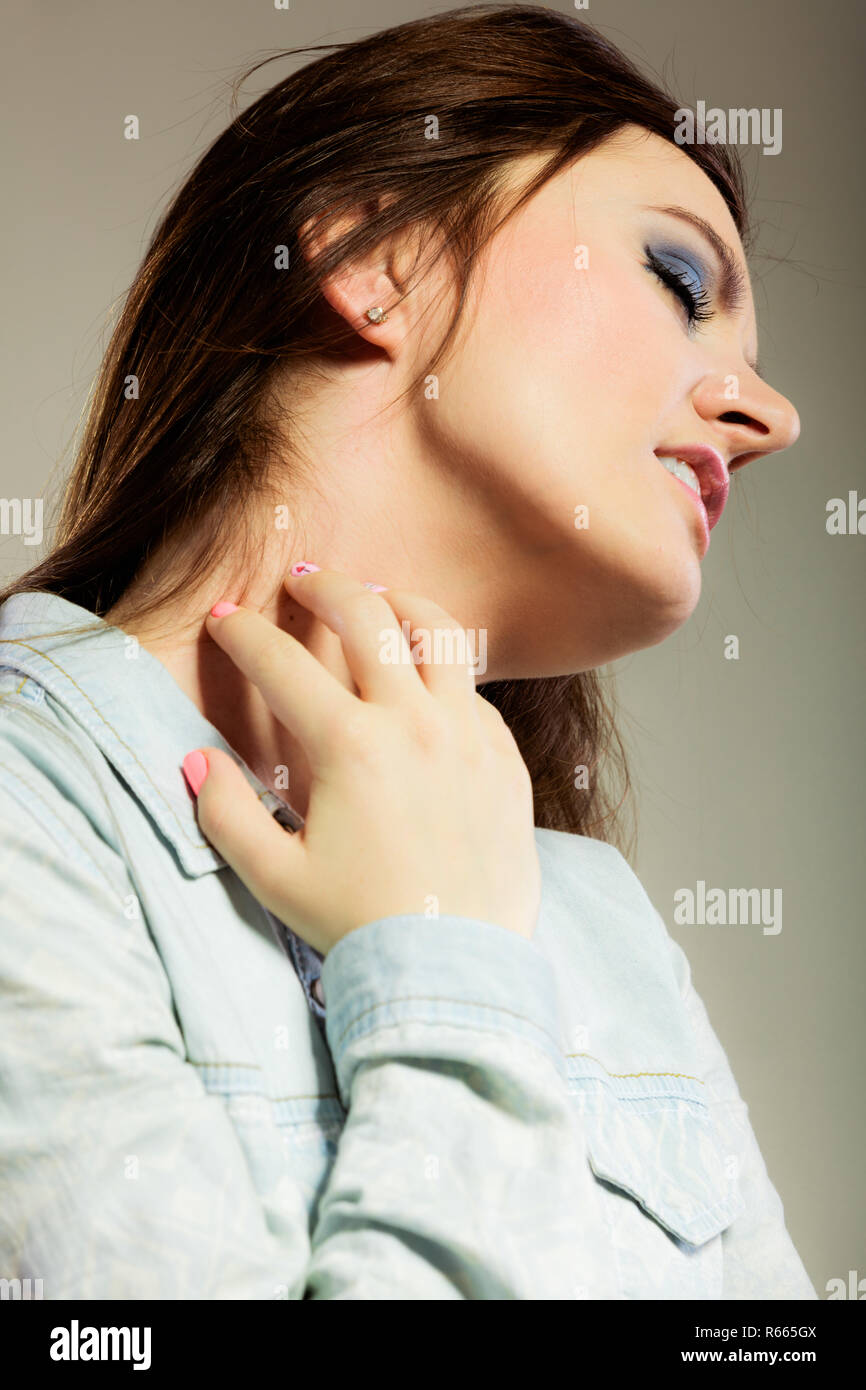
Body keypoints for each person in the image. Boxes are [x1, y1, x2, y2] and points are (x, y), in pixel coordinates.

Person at [0, 4, 816, 1298]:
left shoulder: (602, 925)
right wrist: (444, 972)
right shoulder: (26, 803)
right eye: (677, 281)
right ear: (374, 253)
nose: (768, 414)